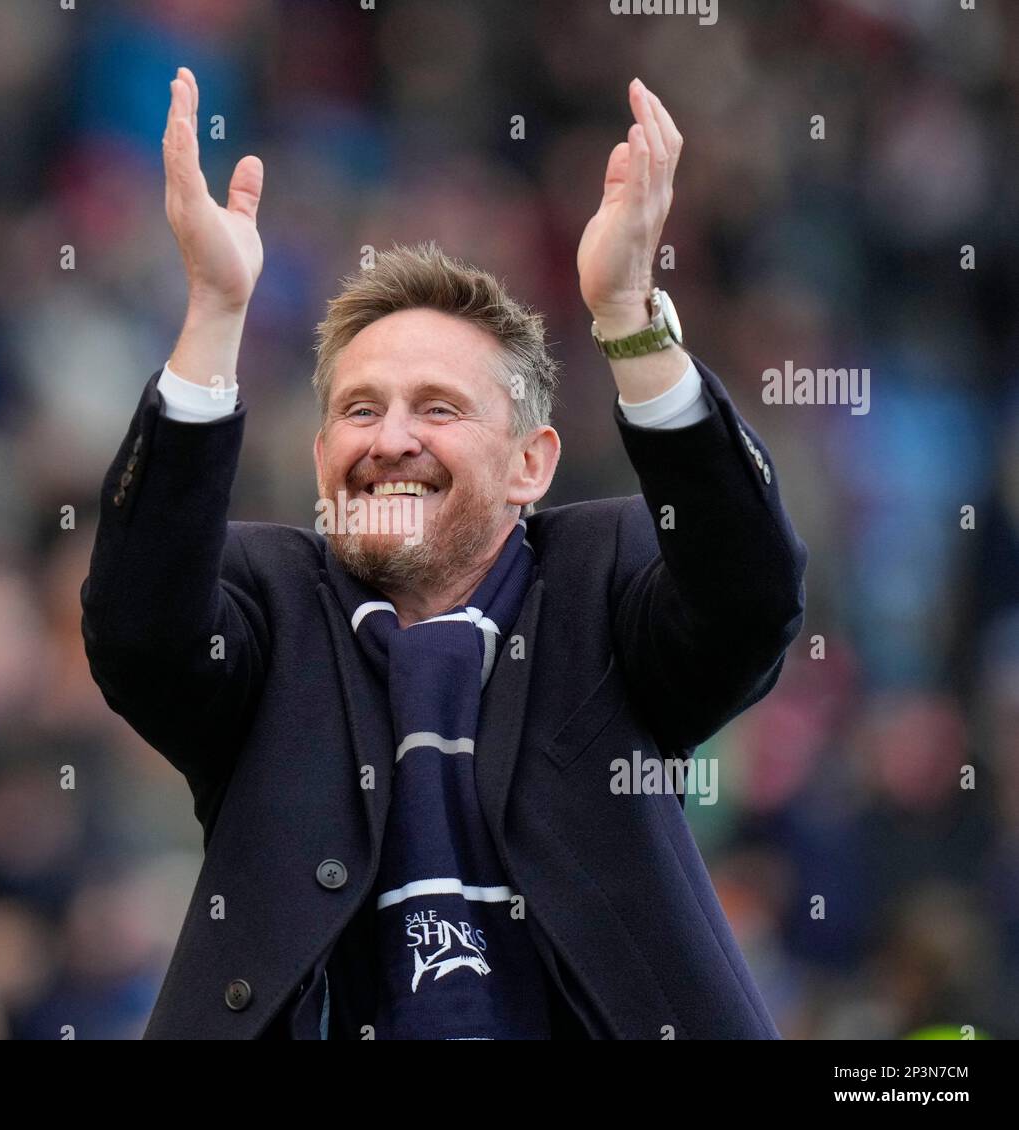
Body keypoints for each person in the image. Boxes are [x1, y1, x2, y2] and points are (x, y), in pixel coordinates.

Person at [81, 67, 807, 1039]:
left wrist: (630, 321)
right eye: (358, 408)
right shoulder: (266, 602)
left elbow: (749, 599)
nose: (390, 439)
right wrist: (214, 313)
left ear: (529, 464)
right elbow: (139, 633)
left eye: (438, 407)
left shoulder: (604, 577)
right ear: (317, 454)